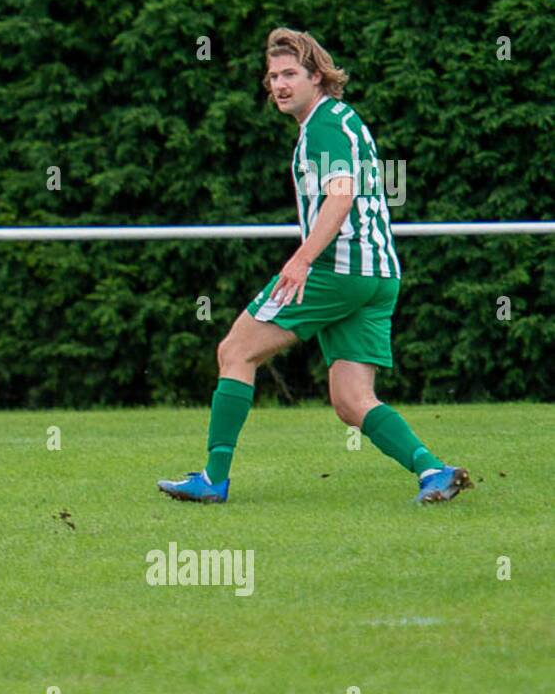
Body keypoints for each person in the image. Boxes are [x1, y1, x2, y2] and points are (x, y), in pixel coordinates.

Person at [158, 28, 470, 505]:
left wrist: (302, 260)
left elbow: (340, 195)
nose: (278, 85)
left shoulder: (325, 124)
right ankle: (434, 471)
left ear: (318, 77)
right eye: (272, 76)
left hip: (336, 271)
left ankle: (213, 480)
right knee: (351, 400)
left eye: (289, 74)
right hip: (378, 275)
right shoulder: (341, 120)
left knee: (236, 351)